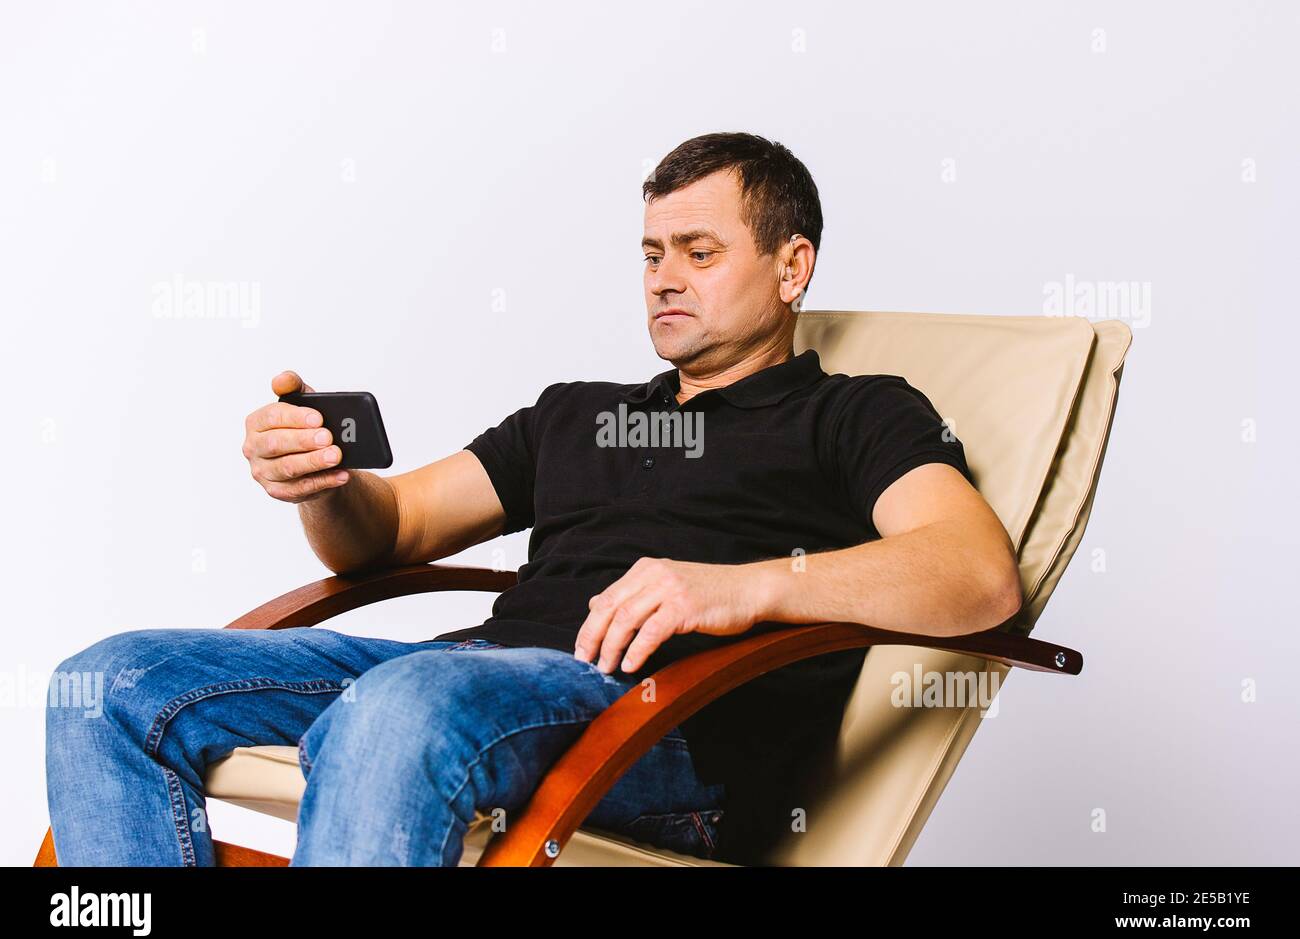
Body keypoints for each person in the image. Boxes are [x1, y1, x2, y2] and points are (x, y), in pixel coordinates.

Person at [45, 131, 1022, 866]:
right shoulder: (576, 414)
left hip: (658, 731)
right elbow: (384, 533)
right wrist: (326, 483)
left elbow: (974, 576)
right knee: (112, 683)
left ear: (791, 264)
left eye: (697, 250)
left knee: (410, 698)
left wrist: (741, 589)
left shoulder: (853, 414)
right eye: (649, 253)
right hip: (466, 684)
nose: (662, 280)